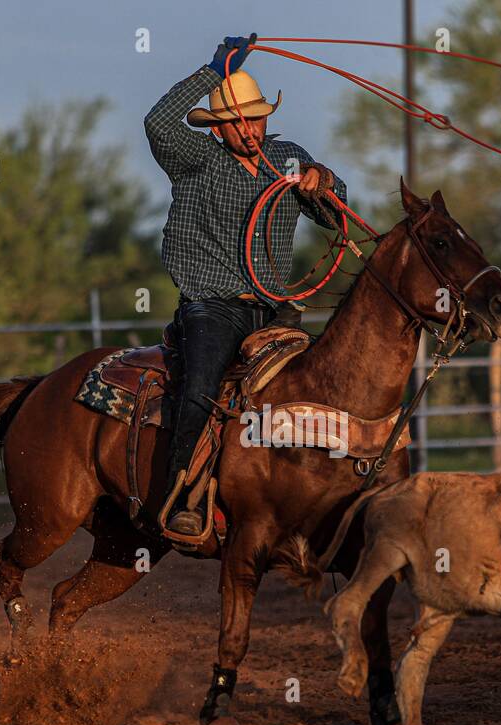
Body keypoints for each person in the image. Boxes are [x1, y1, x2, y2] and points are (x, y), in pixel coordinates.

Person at [143, 33, 348, 536]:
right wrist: (213, 71)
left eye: (253, 117)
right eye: (234, 121)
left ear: (265, 118)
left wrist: (321, 180)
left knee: (320, 387)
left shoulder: (288, 160)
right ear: (217, 130)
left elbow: (338, 211)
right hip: (213, 305)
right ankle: (180, 497)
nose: (247, 128)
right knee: (201, 387)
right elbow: (157, 122)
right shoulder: (197, 160)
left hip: (275, 310)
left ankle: (320, 497)